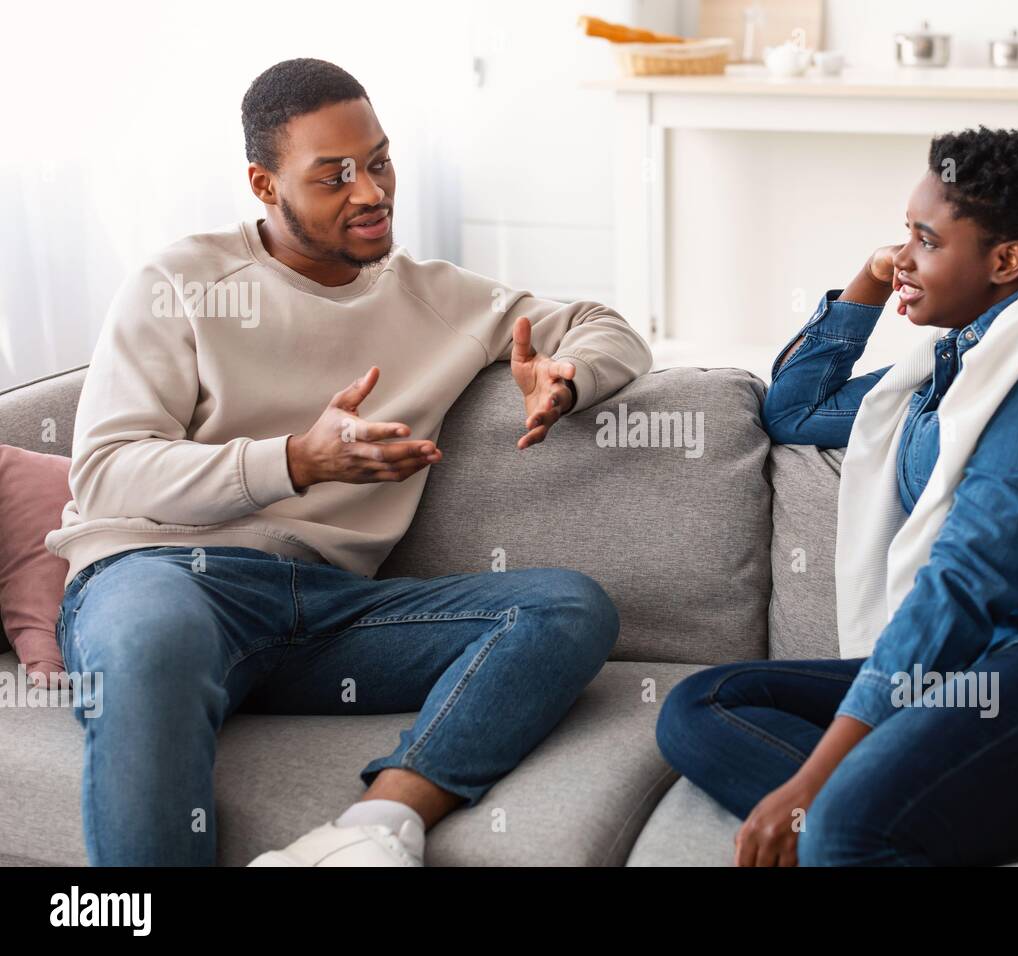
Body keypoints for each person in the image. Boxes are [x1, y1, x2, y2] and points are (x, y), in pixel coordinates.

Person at [47, 58, 652, 867]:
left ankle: (367, 833)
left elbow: (603, 324)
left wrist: (568, 378)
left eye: (378, 161)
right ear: (265, 186)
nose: (370, 192)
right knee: (155, 645)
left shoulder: (439, 297)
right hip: (161, 576)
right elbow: (109, 472)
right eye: (332, 176)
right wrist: (297, 461)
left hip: (322, 614)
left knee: (566, 608)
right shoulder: (180, 281)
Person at [656, 126, 1018, 867]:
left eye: (927, 240)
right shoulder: (940, 381)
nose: (904, 253)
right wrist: (882, 274)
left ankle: (863, 823)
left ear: (1005, 261)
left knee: (837, 829)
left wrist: (813, 782)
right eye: (903, 232)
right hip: (997, 672)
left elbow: (970, 577)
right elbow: (793, 410)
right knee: (701, 705)